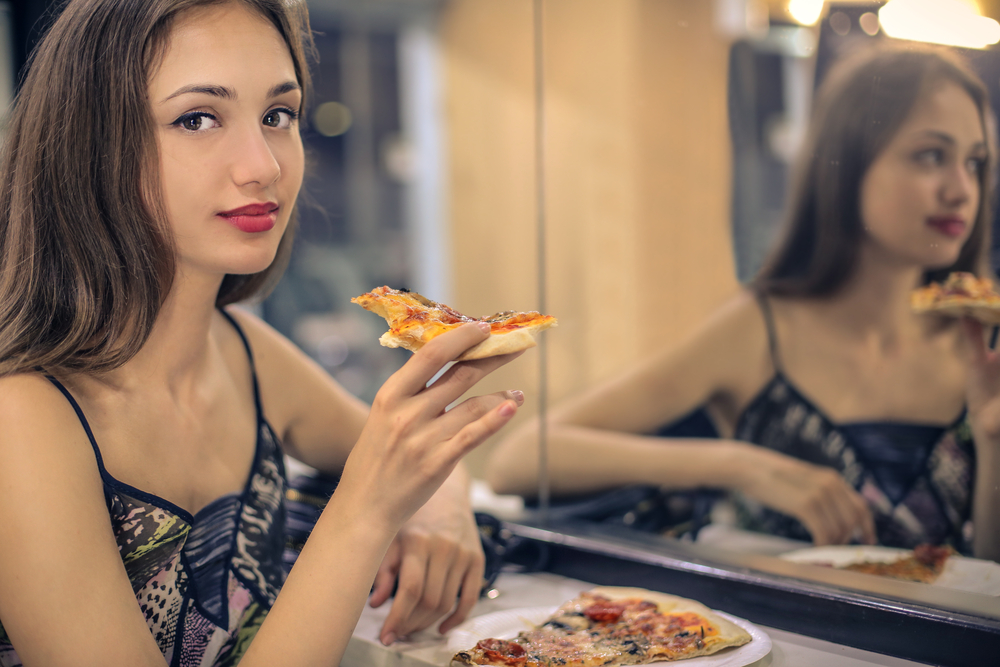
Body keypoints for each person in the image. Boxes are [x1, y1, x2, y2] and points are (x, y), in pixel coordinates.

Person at [0, 0, 527, 665]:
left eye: (278, 115)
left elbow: (403, 457)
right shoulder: (21, 417)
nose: (263, 165)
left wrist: (439, 509)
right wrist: (367, 511)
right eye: (197, 118)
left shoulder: (244, 351)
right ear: (88, 147)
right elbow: (378, 477)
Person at [488, 44, 1000, 562]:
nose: (962, 189)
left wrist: (994, 440)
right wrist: (739, 464)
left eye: (975, 163)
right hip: (781, 639)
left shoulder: (982, 345)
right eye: (931, 155)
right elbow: (519, 460)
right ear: (848, 165)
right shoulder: (759, 329)